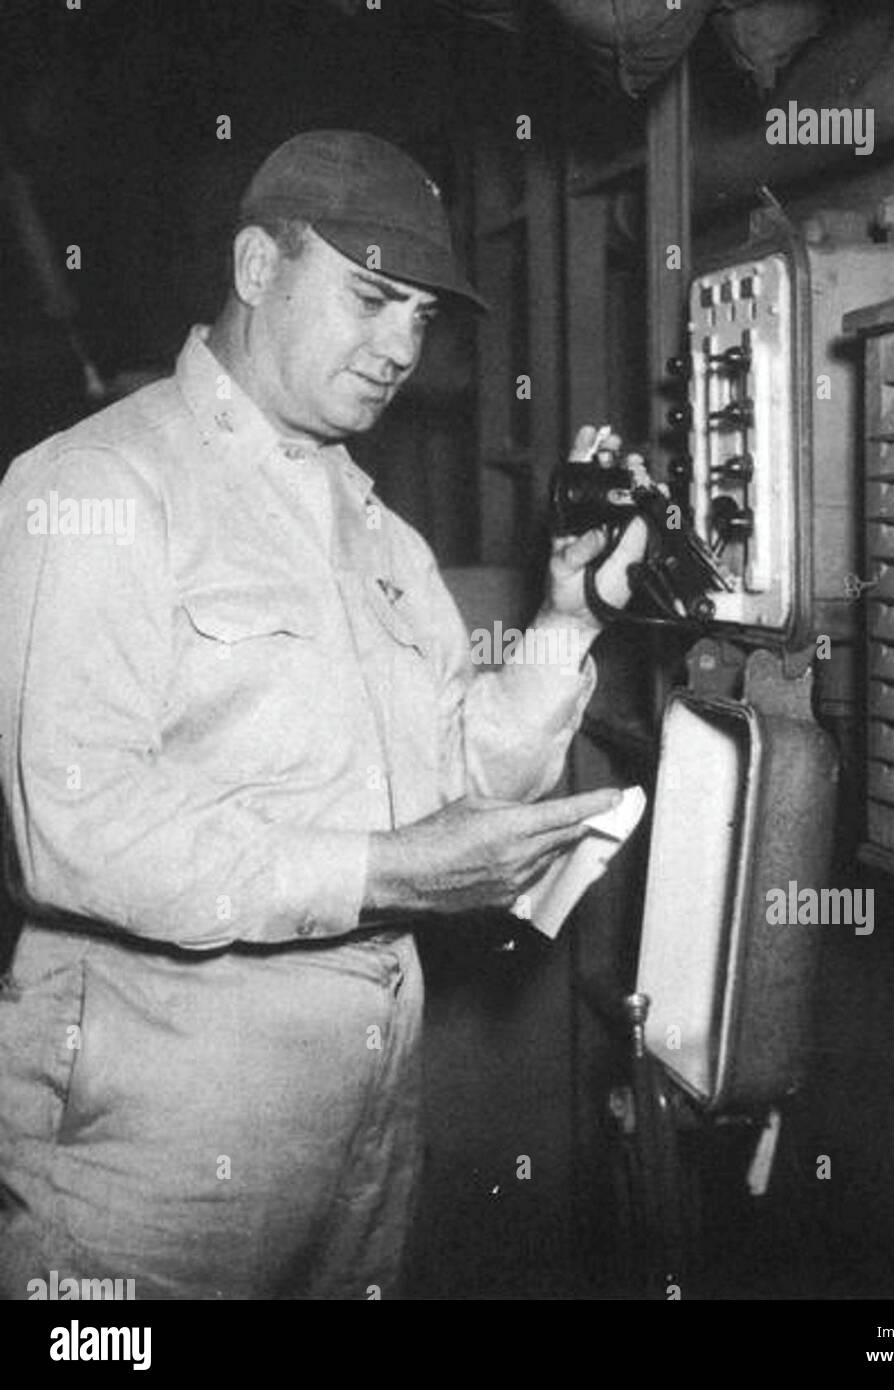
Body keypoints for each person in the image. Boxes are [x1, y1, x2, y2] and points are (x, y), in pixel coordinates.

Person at [0, 130, 645, 1299]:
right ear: (256, 267)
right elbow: (78, 829)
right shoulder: (96, 489)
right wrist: (387, 872)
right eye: (371, 297)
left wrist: (568, 617)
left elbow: (456, 773)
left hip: (364, 1134)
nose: (402, 345)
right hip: (148, 1158)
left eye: (420, 318)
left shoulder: (379, 536)